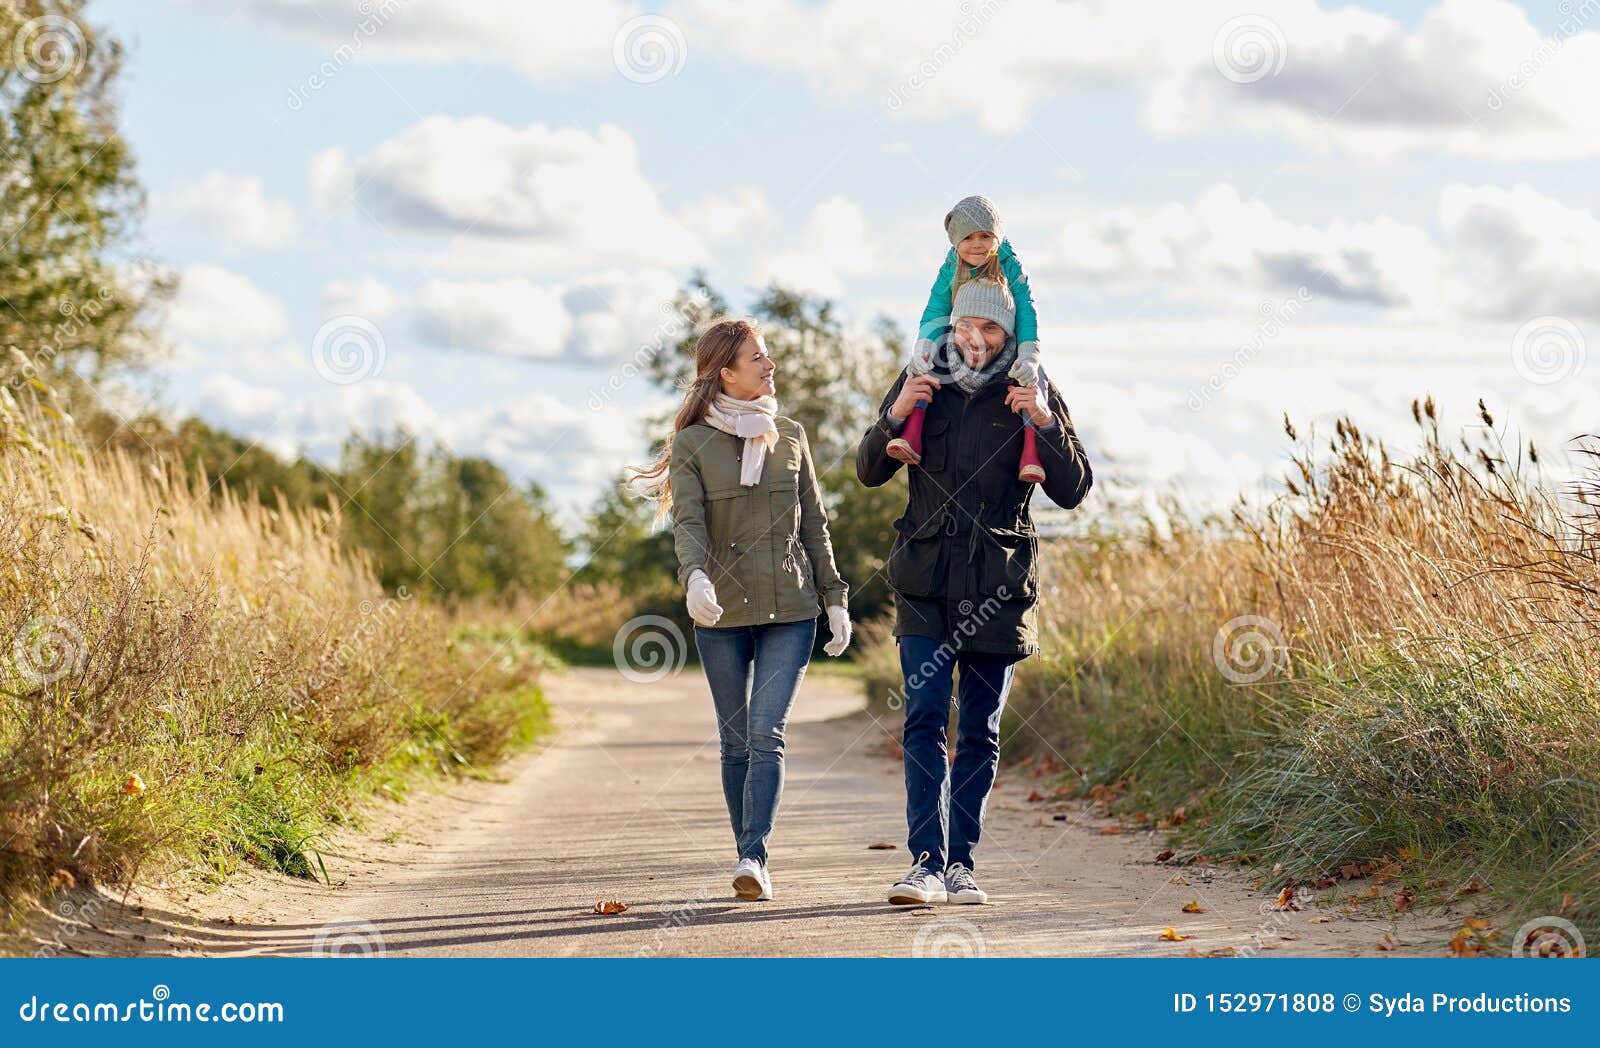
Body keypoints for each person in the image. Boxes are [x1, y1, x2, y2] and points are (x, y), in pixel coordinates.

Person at [856, 278, 1092, 905]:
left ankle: (962, 865)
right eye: (968, 327)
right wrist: (893, 412)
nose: (978, 340)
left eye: (992, 330)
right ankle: (924, 864)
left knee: (981, 730)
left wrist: (1044, 419)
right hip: (925, 582)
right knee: (925, 717)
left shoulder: (1033, 390)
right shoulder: (921, 378)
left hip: (998, 584)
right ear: (952, 325)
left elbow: (1073, 488)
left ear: (1010, 336)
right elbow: (869, 470)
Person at [632, 317, 852, 902]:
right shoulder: (692, 444)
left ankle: (756, 856)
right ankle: (745, 852)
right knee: (734, 742)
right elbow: (690, 522)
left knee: (765, 732)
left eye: (768, 355)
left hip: (792, 608)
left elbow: (816, 526)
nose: (770, 364)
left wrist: (835, 599)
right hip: (721, 613)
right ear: (725, 372)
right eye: (758, 357)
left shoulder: (792, 436)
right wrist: (694, 575)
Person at [887, 194, 1048, 483]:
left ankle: (1031, 449)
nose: (977, 244)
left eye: (985, 236)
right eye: (968, 237)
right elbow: (937, 309)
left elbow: (1025, 312)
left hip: (1012, 341)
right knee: (927, 368)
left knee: (1036, 383)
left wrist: (1028, 358)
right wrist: (924, 348)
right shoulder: (951, 268)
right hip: (949, 345)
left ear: (997, 238)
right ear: (954, 242)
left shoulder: (1009, 263)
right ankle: (912, 430)